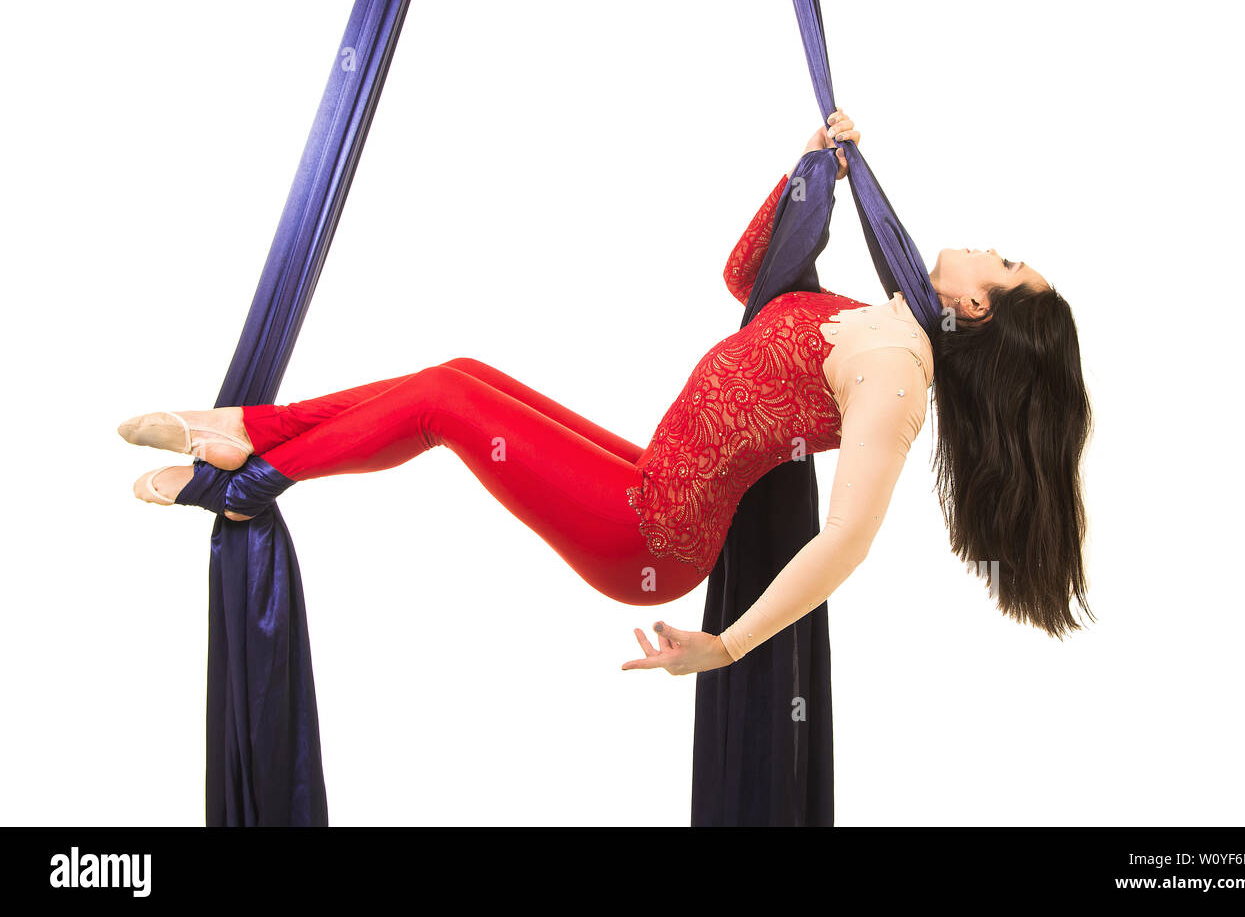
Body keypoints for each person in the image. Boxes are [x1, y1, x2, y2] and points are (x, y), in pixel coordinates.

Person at [119, 111, 1092, 677]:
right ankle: (245, 427)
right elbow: (745, 277)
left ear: (974, 306)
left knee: (447, 407)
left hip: (646, 540)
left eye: (1005, 263)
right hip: (643, 472)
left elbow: (845, 541)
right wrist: (808, 178)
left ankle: (257, 468)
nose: (989, 246)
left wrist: (726, 644)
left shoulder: (896, 377)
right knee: (460, 378)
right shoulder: (876, 318)